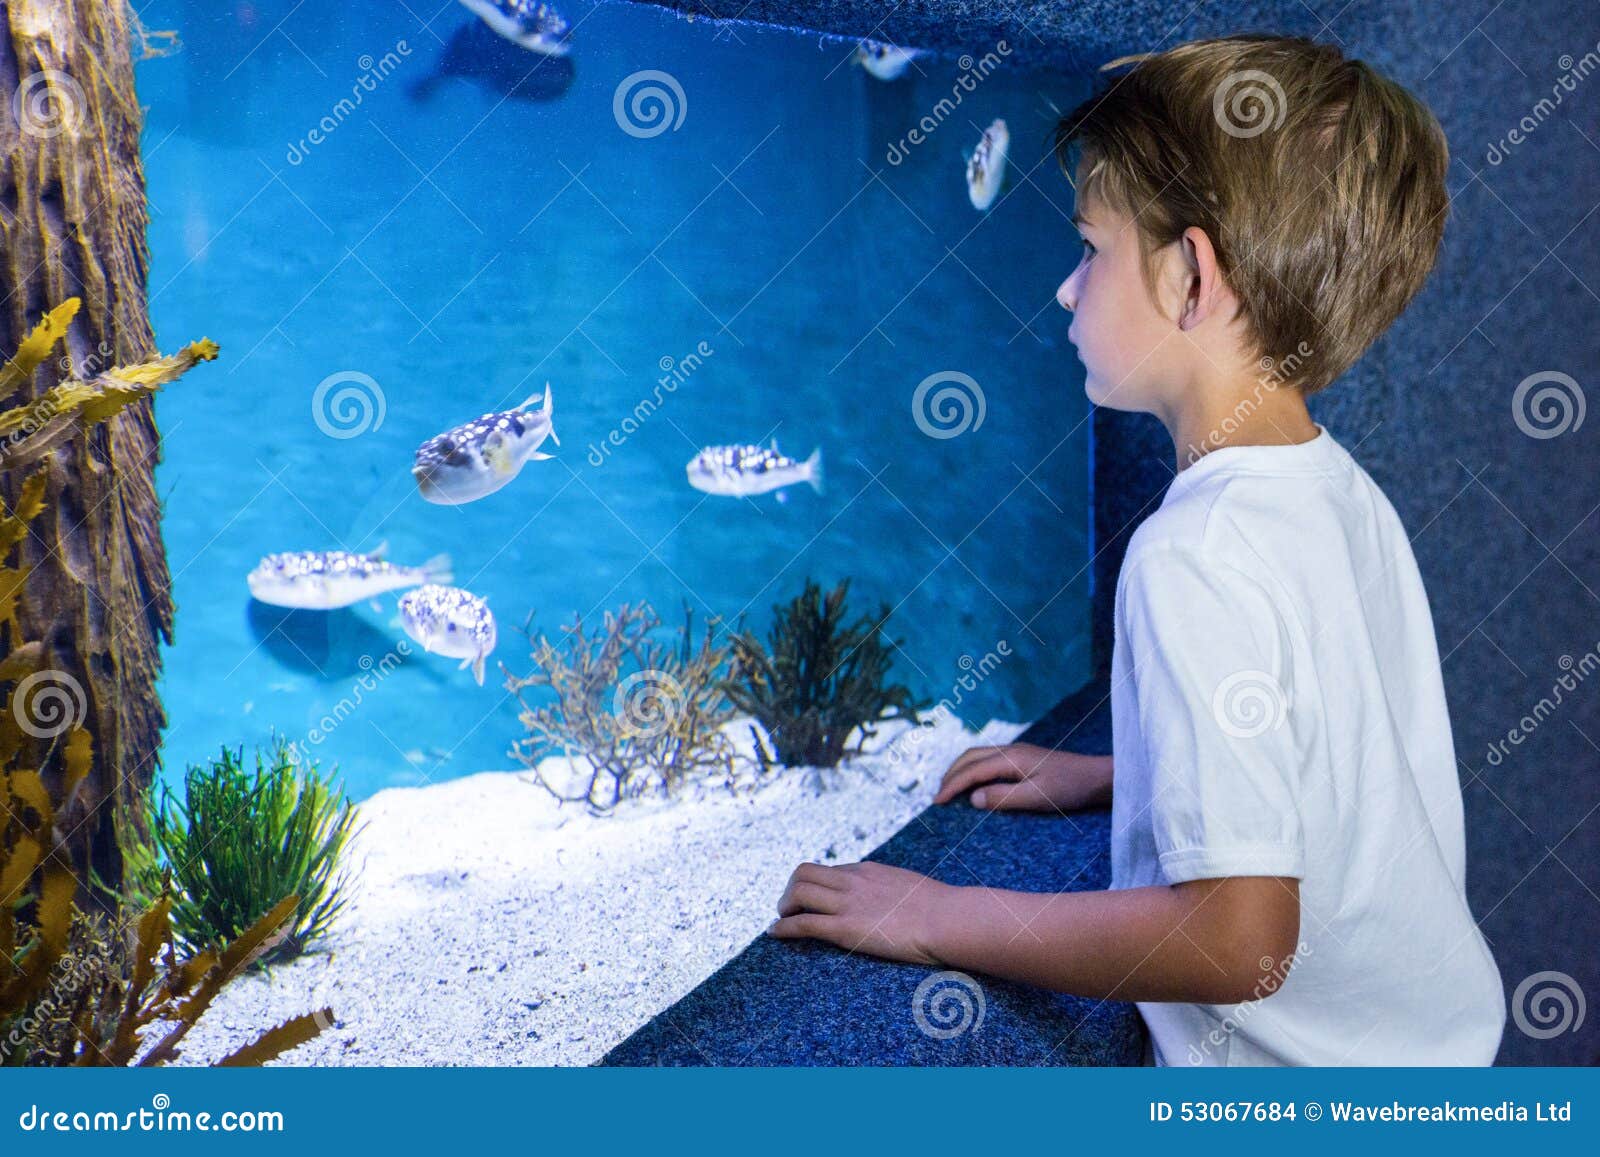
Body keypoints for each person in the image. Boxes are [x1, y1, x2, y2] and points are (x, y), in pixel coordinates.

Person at [769, 34, 1506, 1066]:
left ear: (1192, 277)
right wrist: (1131, 771)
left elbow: (1241, 942)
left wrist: (939, 914)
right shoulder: (1337, 489)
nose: (1067, 291)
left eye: (1090, 248)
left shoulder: (1191, 551)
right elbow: (1327, 749)